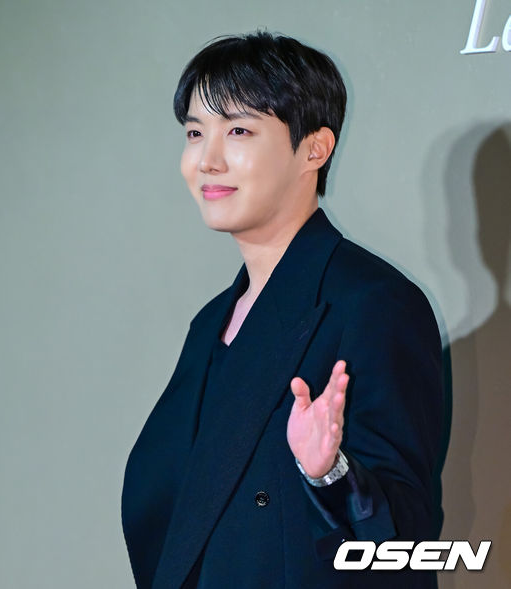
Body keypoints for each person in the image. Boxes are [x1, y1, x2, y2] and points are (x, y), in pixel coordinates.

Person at [121, 30, 444, 589]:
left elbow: (408, 541)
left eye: (238, 131)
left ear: (314, 149)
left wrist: (330, 473)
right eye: (195, 133)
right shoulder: (211, 323)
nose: (207, 160)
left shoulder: (375, 305)